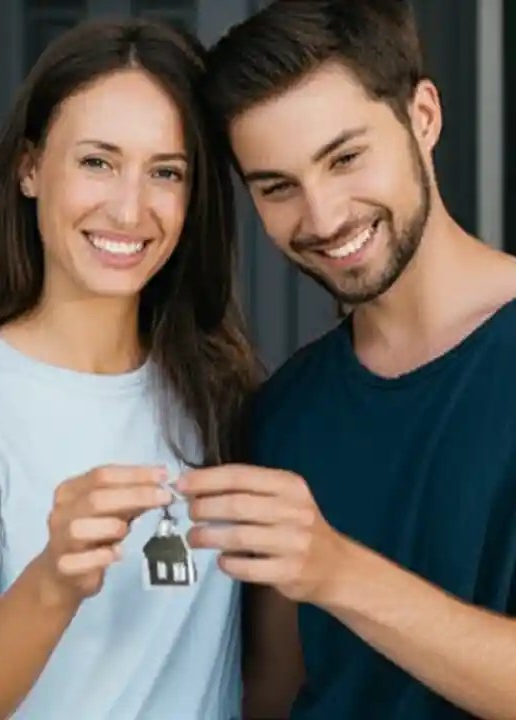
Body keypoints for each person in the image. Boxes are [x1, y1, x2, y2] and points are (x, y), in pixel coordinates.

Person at [0, 19, 261, 719]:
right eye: (97, 161)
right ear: (30, 168)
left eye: (166, 172)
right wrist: (54, 578)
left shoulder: (227, 390)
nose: (129, 207)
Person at [190, 1, 516, 718]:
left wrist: (337, 571)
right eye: (277, 187)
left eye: (345, 158)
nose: (324, 216)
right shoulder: (286, 410)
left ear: (422, 116)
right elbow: (270, 693)